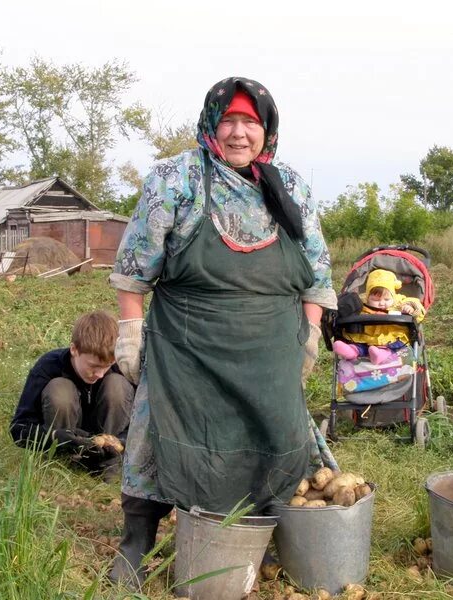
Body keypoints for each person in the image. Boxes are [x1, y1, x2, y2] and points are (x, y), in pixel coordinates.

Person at [108, 76, 338, 587]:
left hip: (271, 345)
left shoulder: (290, 186)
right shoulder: (176, 178)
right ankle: (135, 548)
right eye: (229, 120)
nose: (238, 134)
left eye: (250, 123)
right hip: (187, 347)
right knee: (157, 436)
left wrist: (310, 333)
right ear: (211, 124)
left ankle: (265, 543)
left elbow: (317, 272)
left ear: (267, 130)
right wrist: (130, 328)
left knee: (279, 439)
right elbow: (134, 267)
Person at [9, 310, 134, 477]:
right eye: (93, 366)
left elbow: (145, 422)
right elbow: (18, 430)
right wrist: (53, 436)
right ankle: (64, 461)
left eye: (107, 366)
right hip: (65, 441)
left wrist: (122, 441)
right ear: (74, 349)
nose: (100, 374)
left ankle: (107, 463)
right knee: (60, 389)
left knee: (117, 384)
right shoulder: (47, 367)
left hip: (107, 441)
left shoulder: (121, 367)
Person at [332, 269, 425, 364]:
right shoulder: (361, 304)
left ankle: (381, 354)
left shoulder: (400, 302)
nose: (381, 303)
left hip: (392, 336)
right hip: (367, 338)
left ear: (393, 295)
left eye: (387, 299)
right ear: (368, 297)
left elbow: (418, 307)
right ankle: (352, 351)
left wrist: (410, 308)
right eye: (376, 300)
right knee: (359, 343)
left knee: (396, 346)